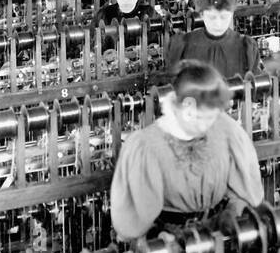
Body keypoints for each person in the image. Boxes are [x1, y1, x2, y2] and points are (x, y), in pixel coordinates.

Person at [109, 61, 265, 241]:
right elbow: (132, 224)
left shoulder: (225, 130)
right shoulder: (145, 147)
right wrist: (158, 236)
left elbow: (245, 193)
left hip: (219, 237)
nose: (209, 125)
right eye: (203, 117)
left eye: (213, 116)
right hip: (166, 245)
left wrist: (232, 214)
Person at [165, 0, 259, 79]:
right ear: (201, 15)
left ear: (232, 14)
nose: (218, 24)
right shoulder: (183, 46)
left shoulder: (246, 47)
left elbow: (256, 88)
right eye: (212, 17)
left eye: (224, 17)